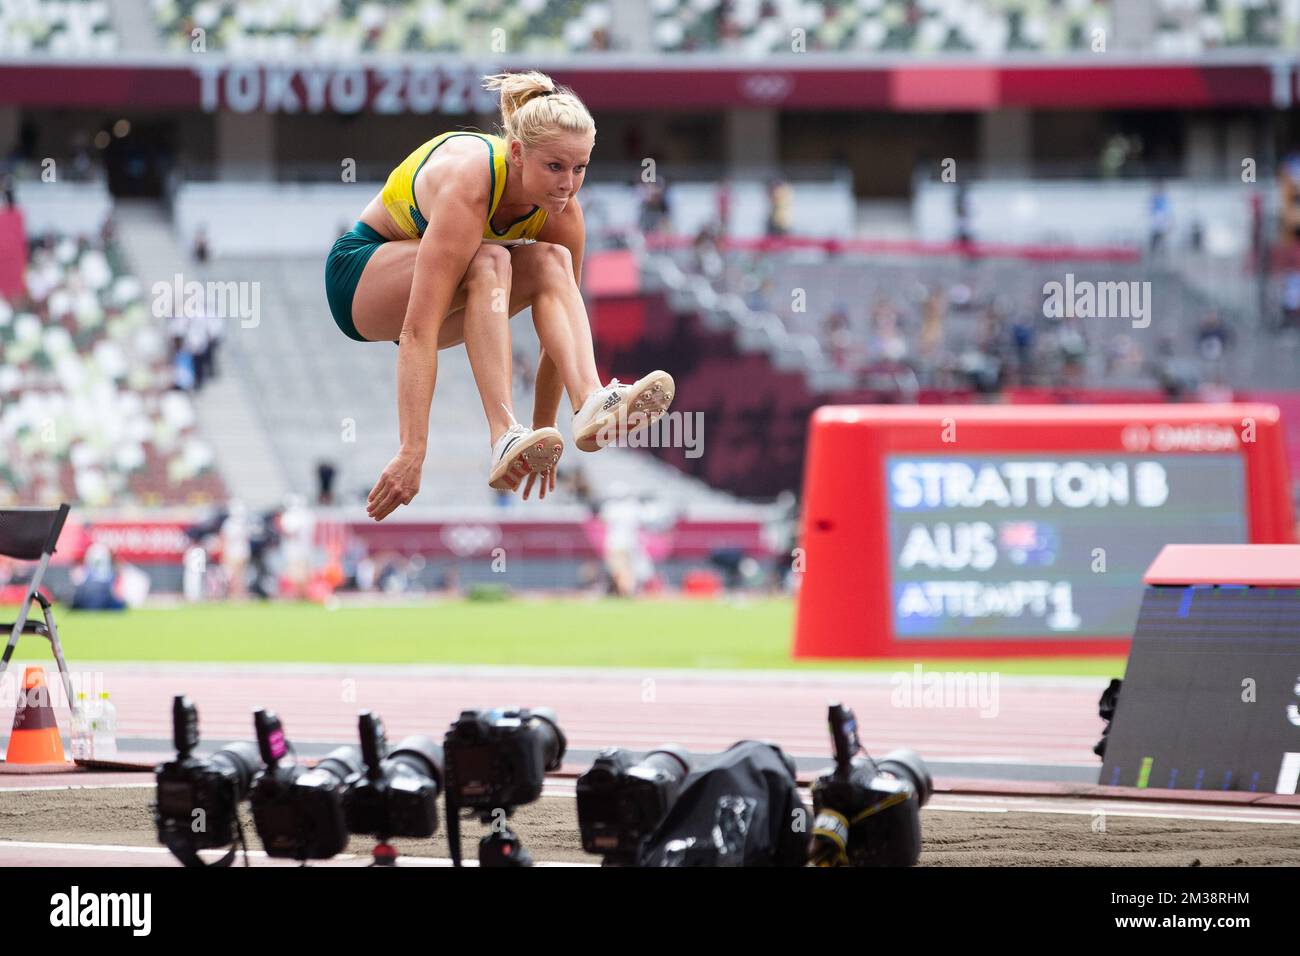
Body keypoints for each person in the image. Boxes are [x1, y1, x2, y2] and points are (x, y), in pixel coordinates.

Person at [324, 70, 675, 521]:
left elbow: (557, 332)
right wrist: (413, 451)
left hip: (447, 287)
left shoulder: (563, 213)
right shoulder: (469, 186)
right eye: (554, 167)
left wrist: (545, 437)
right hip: (361, 279)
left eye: (579, 168)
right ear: (516, 153)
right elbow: (417, 331)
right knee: (490, 260)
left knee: (553, 263)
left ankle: (589, 399)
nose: (567, 184)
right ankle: (502, 431)